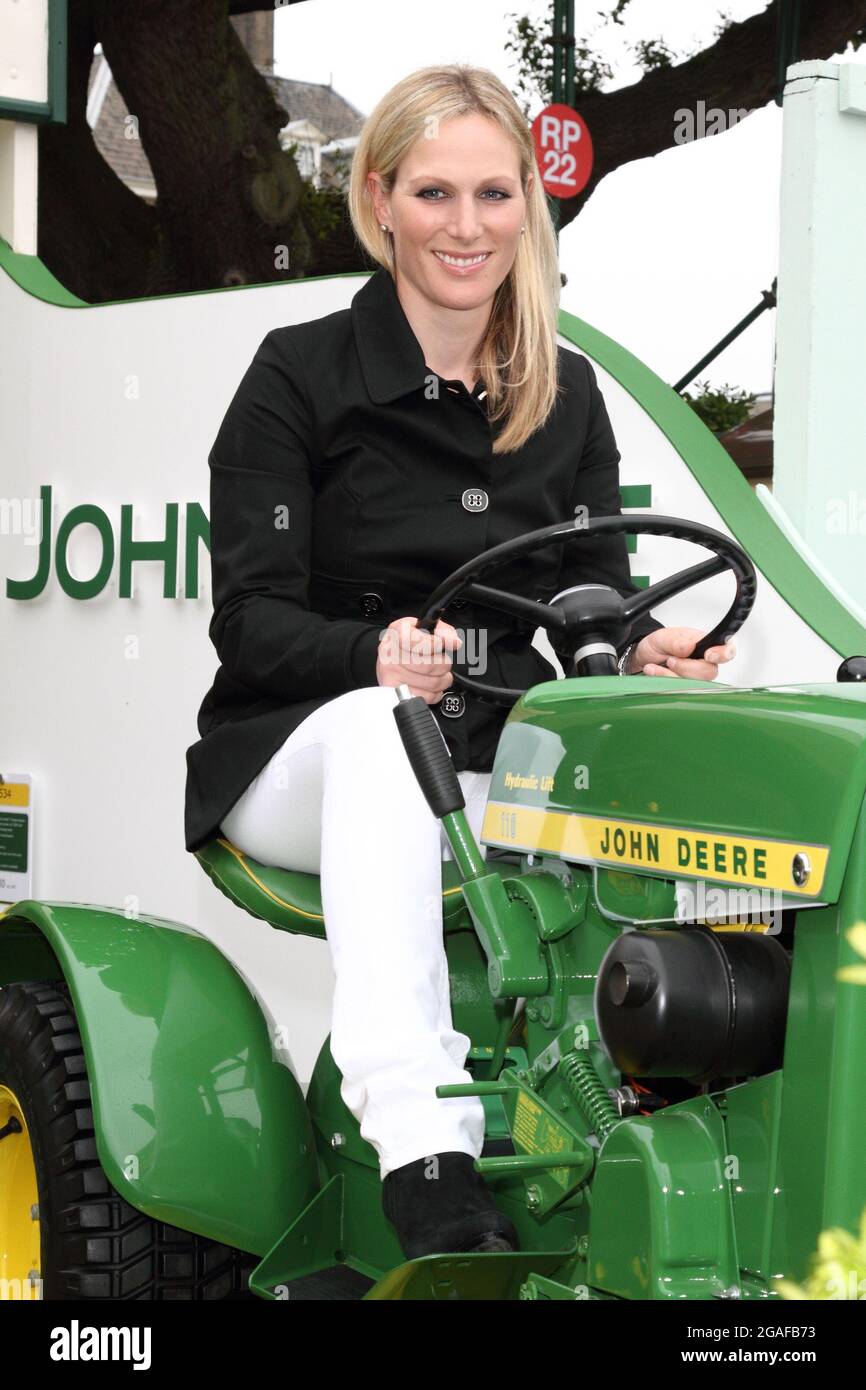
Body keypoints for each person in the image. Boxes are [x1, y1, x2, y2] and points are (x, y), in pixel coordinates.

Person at [184, 63, 735, 1260]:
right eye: (434, 192)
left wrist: (641, 642)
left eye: (496, 194)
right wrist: (369, 652)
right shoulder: (294, 376)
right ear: (377, 198)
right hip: (300, 755)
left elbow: (584, 590)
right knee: (391, 728)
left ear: (525, 213)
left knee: (700, 760)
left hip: (492, 764)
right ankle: (422, 1148)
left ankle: (687, 1109)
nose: (467, 225)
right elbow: (251, 622)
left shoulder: (564, 390)